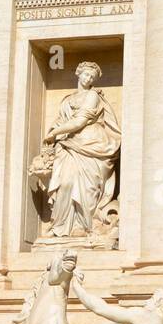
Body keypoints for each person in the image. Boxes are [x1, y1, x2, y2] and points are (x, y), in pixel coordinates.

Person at [40, 61, 121, 237]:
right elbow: (62, 120)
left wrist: (55, 133)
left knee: (86, 187)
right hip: (69, 145)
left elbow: (79, 122)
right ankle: (60, 225)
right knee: (66, 183)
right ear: (78, 74)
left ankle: (83, 226)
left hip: (91, 144)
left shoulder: (93, 96)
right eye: (86, 74)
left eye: (92, 76)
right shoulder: (67, 100)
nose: (89, 78)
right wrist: (55, 132)